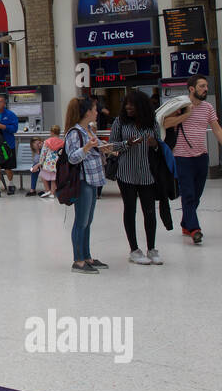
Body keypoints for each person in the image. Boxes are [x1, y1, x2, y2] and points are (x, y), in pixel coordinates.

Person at [162, 74, 222, 246]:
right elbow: (165, 123)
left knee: (197, 194)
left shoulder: (208, 107)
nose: (205, 89)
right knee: (188, 194)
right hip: (181, 157)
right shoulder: (180, 105)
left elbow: (216, 128)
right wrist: (184, 116)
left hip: (201, 156)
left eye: (206, 86)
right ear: (191, 89)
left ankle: (186, 223)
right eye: (202, 86)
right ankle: (195, 229)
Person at [111, 89, 165, 266]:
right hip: (126, 173)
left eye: (132, 104)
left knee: (149, 211)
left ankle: (152, 248)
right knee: (130, 209)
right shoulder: (119, 122)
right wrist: (127, 144)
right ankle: (134, 249)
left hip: (147, 173)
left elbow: (159, 146)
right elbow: (113, 146)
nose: (128, 107)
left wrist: (154, 144)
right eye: (126, 104)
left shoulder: (152, 123)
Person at [65, 97, 109, 274]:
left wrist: (105, 147)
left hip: (93, 180)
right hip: (83, 181)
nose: (97, 112)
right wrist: (87, 148)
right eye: (95, 109)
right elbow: (72, 157)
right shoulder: (74, 133)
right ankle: (78, 260)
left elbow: (96, 147)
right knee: (81, 221)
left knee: (88, 221)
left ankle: (87, 256)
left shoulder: (89, 130)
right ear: (87, 112)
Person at [36, 125, 64, 198]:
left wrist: (40, 162)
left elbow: (43, 153)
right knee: (53, 179)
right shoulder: (62, 142)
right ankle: (52, 193)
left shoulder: (47, 142)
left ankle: (47, 189)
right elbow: (62, 153)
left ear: (51, 132)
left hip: (48, 162)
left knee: (43, 175)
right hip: (57, 162)